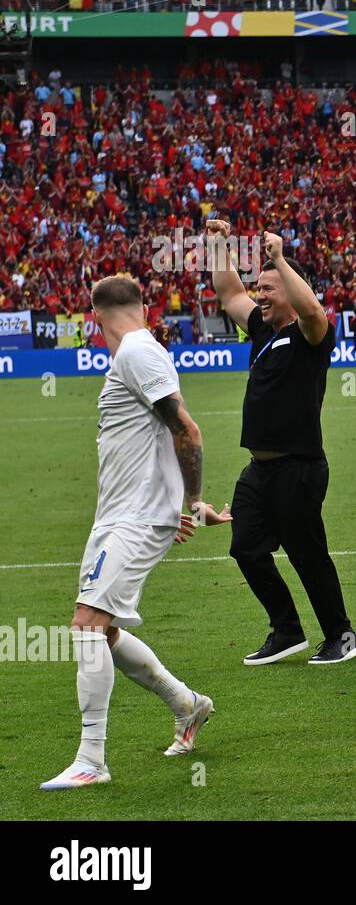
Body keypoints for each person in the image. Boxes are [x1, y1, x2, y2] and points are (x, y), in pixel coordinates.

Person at [42, 275, 232, 791]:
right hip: (122, 514)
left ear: (93, 315)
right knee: (100, 630)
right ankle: (188, 705)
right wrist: (180, 502)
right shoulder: (137, 353)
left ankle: (91, 760)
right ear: (143, 305)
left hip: (134, 517)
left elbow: (187, 430)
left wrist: (191, 502)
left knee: (86, 625)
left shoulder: (134, 354)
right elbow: (164, 433)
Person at [209, 218, 356, 666]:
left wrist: (278, 258)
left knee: (306, 554)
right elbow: (230, 294)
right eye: (261, 286)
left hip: (300, 467)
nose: (260, 293)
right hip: (260, 469)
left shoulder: (310, 335)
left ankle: (340, 634)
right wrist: (220, 245)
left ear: (293, 293)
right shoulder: (263, 332)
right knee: (245, 547)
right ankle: (287, 630)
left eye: (270, 287)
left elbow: (313, 311)